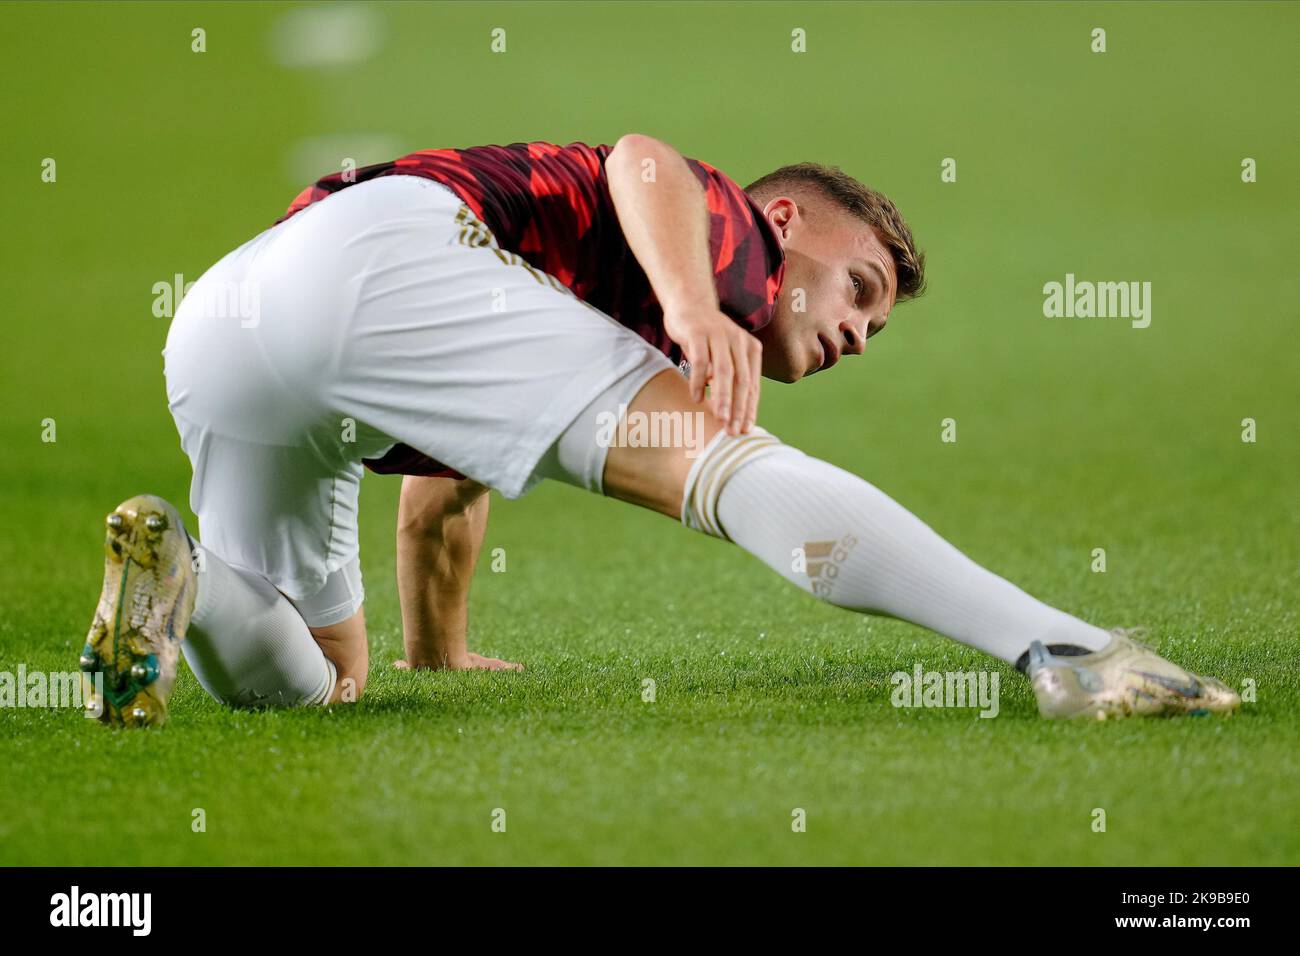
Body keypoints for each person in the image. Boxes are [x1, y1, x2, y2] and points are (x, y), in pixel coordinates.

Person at [81, 136, 1238, 727]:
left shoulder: (557, 299)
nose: (858, 333)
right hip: (379, 259)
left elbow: (440, 494)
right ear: (786, 223)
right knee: (739, 471)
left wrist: (441, 649)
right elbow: (645, 157)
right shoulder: (728, 238)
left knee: (323, 681)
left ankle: (179, 571)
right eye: (859, 288)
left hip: (232, 319)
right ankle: (1065, 650)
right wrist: (691, 305)